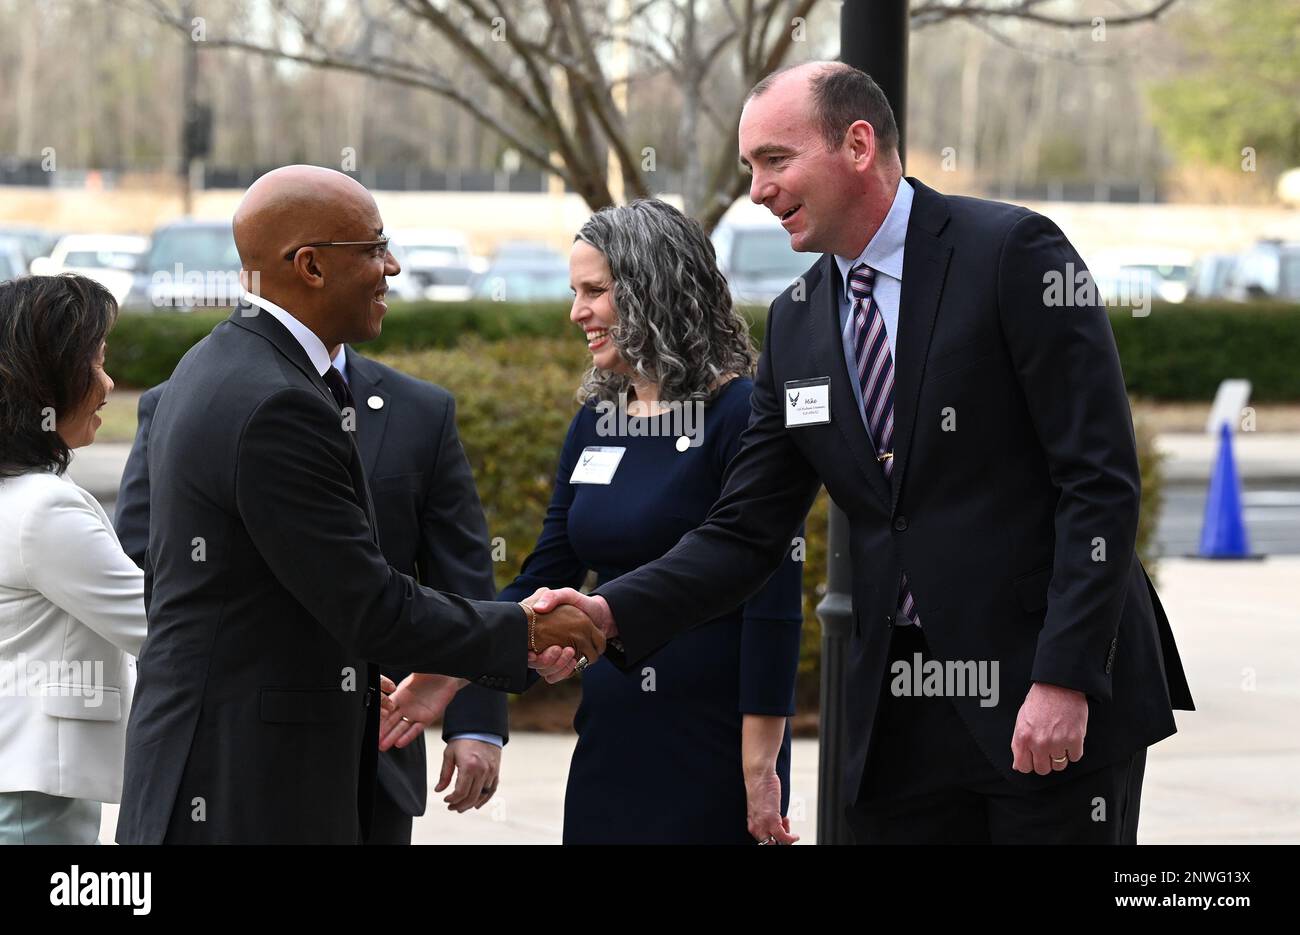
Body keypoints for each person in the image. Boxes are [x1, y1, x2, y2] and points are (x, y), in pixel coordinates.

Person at [530, 62, 1195, 845]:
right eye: (750, 168)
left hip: (1041, 696)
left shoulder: (1012, 253)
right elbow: (745, 530)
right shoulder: (797, 321)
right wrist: (609, 612)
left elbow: (1100, 481)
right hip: (895, 718)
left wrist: (1064, 675)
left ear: (857, 143)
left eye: (776, 160)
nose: (758, 190)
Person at [115, 165, 603, 844]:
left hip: (226, 773)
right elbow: (369, 605)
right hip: (247, 790)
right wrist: (523, 630)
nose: (392, 266)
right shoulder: (276, 402)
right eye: (374, 248)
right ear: (310, 266)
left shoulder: (217, 365)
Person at [421, 199, 805, 844]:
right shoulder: (598, 420)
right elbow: (545, 575)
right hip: (612, 727)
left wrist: (760, 767)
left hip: (717, 745)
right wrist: (449, 671)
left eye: (595, 291)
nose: (578, 312)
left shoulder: (744, 413)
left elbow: (774, 600)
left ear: (655, 288)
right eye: (576, 292)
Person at [115, 348, 509, 845]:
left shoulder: (422, 409)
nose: (390, 267)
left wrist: (476, 723)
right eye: (372, 261)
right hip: (239, 758)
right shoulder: (184, 401)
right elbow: (144, 559)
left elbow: (463, 572)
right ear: (310, 267)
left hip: (381, 751)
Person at [0, 274, 147, 843]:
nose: (109, 384)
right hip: (31, 798)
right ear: (47, 376)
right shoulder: (45, 509)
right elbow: (164, 626)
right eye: (97, 361)